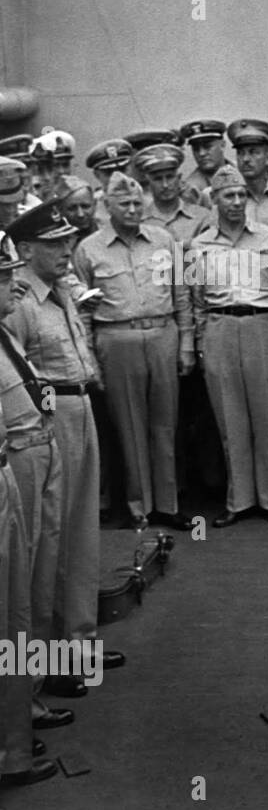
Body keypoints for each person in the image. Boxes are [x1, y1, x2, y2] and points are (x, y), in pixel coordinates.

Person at [6, 201, 126, 702]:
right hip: (48, 419)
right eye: (53, 244)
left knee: (80, 534)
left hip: (80, 407)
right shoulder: (19, 303)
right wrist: (50, 418)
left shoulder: (62, 293)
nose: (65, 251)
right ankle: (48, 660)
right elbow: (20, 375)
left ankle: (78, 645)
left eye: (67, 242)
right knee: (47, 543)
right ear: (26, 249)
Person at [72, 172, 193, 530]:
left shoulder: (163, 240)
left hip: (162, 334)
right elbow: (81, 313)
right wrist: (89, 360)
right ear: (106, 206)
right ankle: (139, 506)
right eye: (123, 203)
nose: (132, 209)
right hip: (116, 339)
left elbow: (181, 294)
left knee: (165, 424)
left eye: (138, 203)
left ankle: (168, 506)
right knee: (129, 426)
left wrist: (186, 344)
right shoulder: (88, 249)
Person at [188, 166, 268, 526]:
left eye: (241, 194)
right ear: (213, 200)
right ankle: (239, 500)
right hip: (219, 328)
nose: (235, 202)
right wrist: (197, 345)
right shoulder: (198, 245)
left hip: (262, 325)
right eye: (227, 195)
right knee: (229, 420)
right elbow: (195, 300)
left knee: (266, 417)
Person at [0, 230, 60, 790]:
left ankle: (15, 737)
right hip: (9, 463)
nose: (12, 281)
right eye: (2, 275)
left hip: (19, 464)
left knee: (19, 613)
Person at [178, 119, 229, 206]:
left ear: (223, 145)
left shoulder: (241, 172)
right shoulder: (192, 190)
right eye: (196, 149)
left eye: (207, 147)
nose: (201, 153)